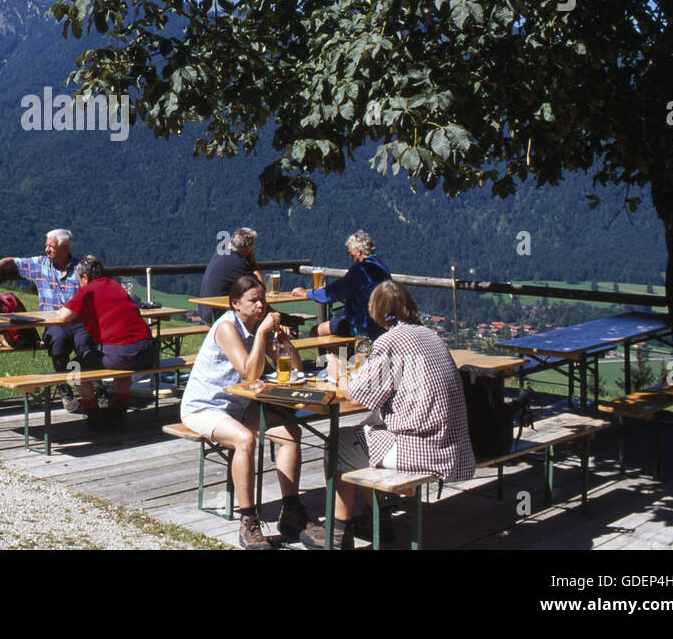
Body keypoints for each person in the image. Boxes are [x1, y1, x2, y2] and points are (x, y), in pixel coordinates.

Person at [299, 280, 476, 550]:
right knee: (364, 431)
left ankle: (337, 531)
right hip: (451, 444)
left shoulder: (390, 341)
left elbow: (358, 396)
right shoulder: (430, 335)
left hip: (423, 448)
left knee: (338, 442)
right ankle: (376, 518)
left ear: (377, 311)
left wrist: (339, 373)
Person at [179, 275, 306, 550]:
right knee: (245, 440)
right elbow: (250, 373)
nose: (261, 305)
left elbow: (297, 370)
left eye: (263, 300)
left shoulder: (258, 326)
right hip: (204, 406)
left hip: (238, 406)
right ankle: (248, 521)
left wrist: (284, 342)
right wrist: (262, 335)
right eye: (254, 300)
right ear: (236, 303)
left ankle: (291, 509)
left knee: (291, 433)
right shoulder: (227, 327)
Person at [0, 229, 89, 412]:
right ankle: (65, 388)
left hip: (77, 322)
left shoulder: (80, 270)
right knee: (58, 342)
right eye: (46, 245)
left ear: (64, 248)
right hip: (53, 323)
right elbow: (14, 262)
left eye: (51, 246)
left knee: (86, 345)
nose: (46, 249)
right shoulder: (41, 264)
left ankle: (84, 387)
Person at [53, 255, 158, 430]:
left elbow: (63, 316)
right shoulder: (116, 286)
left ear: (84, 278)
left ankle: (92, 412)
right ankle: (118, 411)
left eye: (79, 280)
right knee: (122, 361)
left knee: (75, 365)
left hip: (122, 354)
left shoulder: (87, 290)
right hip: (149, 351)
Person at [291, 230, 391, 338]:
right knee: (340, 332)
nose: (350, 256)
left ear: (358, 252)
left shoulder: (361, 270)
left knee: (316, 331)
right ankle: (344, 354)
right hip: (383, 325)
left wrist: (307, 293)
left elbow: (334, 292)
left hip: (363, 326)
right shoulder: (382, 267)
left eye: (350, 253)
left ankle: (337, 355)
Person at [195, 227, 264, 324]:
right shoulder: (239, 263)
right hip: (218, 316)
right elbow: (260, 288)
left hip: (206, 311)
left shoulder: (222, 253)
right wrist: (253, 263)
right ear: (248, 248)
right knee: (259, 311)